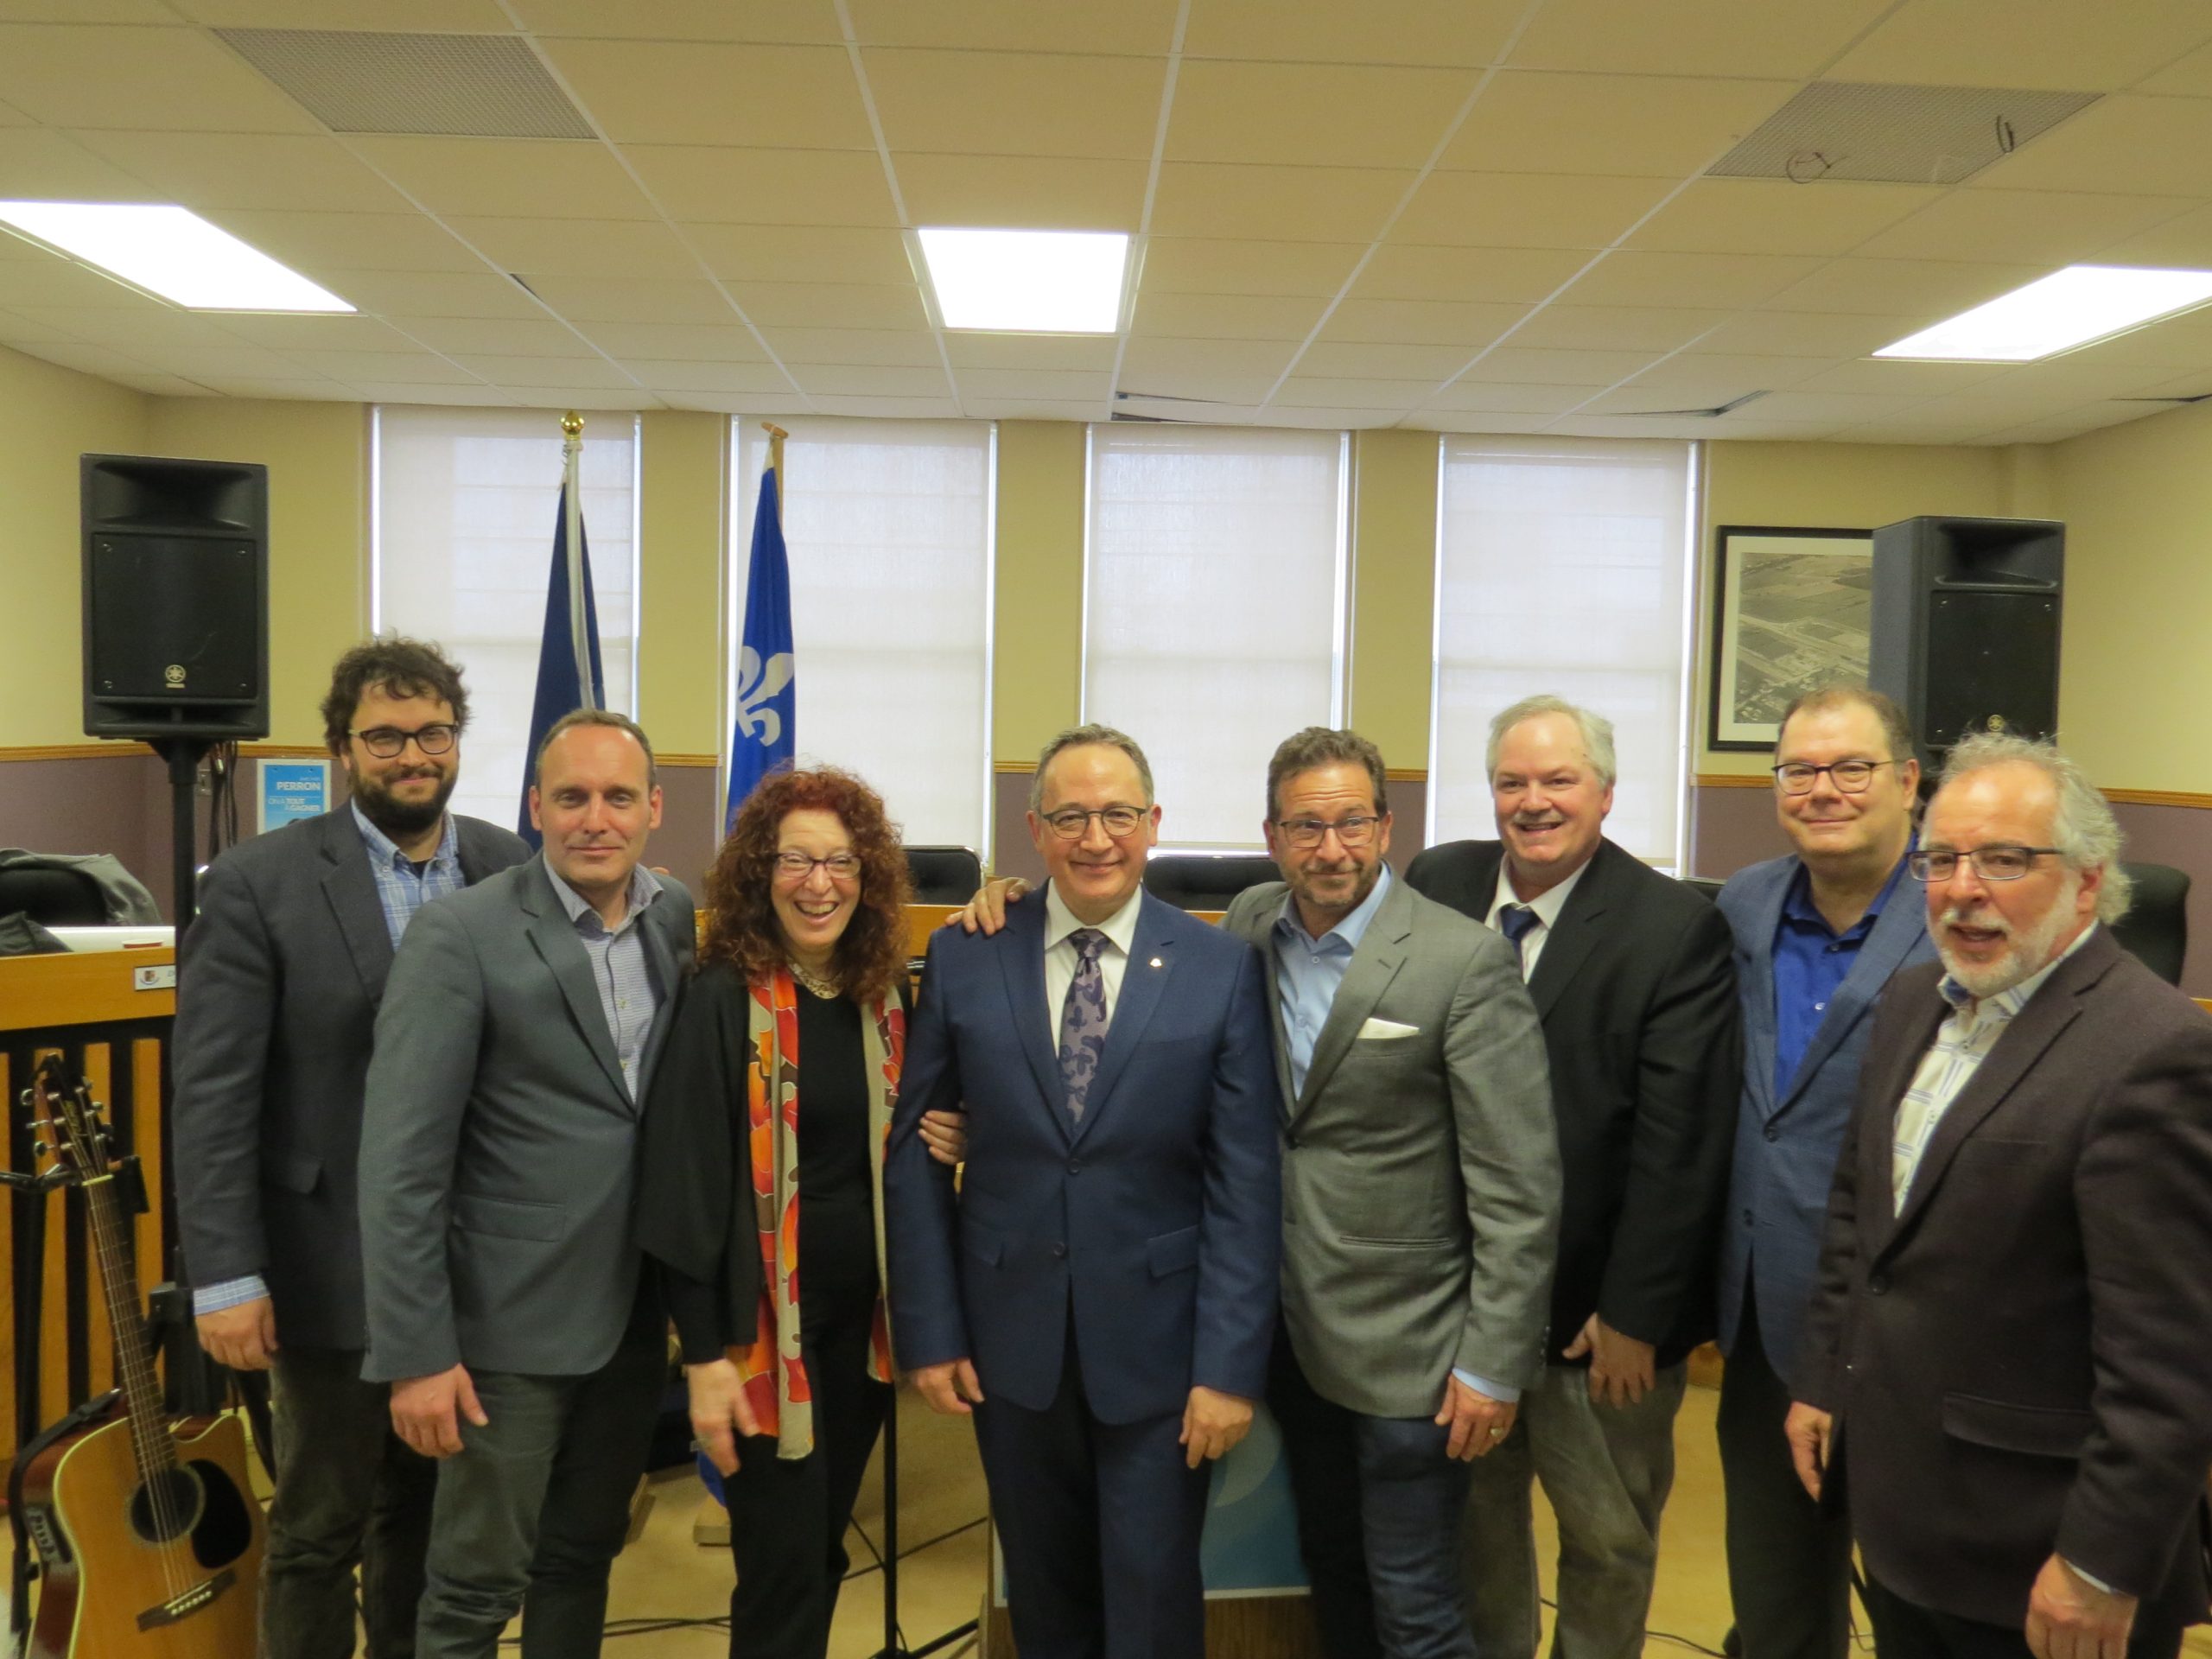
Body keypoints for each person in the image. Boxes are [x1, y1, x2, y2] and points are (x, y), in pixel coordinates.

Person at [1787, 733, 2212, 1659]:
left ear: (2088, 883)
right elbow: (1863, 1219)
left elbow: (2170, 1360)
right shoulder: (1911, 1004)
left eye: (2006, 860)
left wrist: (2101, 1565)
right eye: (1941, 860)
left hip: (2041, 1558)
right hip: (1905, 1517)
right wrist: (1824, 1376)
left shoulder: (2151, 1052)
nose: (1962, 888)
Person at [883, 723, 1281, 1659]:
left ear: (1153, 824)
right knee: (1044, 1593)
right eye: (1070, 816)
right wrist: (930, 1333)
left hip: (1159, 1348)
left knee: (1150, 1597)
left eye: (1116, 814)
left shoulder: (1220, 968)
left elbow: (1243, 1181)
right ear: (1034, 828)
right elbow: (915, 1156)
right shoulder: (964, 953)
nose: (1094, 837)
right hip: (1007, 1340)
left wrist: (1228, 1368)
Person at [172, 636, 529, 1659]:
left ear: (457, 740)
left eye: (432, 733)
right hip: (328, 1264)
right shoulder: (257, 884)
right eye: (385, 736)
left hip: (474, 1265)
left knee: (426, 1517)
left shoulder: (509, 867)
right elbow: (212, 1098)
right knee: (322, 1525)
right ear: (341, 749)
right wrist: (226, 1278)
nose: (412, 754)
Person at [1402, 696, 1738, 1659]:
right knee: (1476, 1536)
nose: (1532, 802)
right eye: (1512, 782)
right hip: (1461, 1306)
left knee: (1607, 1542)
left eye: (1558, 781)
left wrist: (1635, 1312)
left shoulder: (1673, 926)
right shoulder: (1439, 879)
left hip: (1602, 1322)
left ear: (1605, 793)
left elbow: (1681, 1144)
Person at [359, 709, 695, 1659]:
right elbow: (399, 1163)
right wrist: (417, 1351)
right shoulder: (460, 934)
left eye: (619, 797)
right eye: (573, 797)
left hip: (631, 1312)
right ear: (536, 808)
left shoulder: (673, 916)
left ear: (653, 810)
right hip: (503, 1331)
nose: (597, 818)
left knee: (582, 1558)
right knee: (472, 1588)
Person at [1221, 726, 1560, 1659]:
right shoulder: (1250, 925)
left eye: (1351, 823)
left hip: (1415, 1350)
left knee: (1416, 1602)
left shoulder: (1461, 960)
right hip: (1290, 1336)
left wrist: (1492, 1362)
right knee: (1332, 1569)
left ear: (1386, 826)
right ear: (1270, 835)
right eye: (1305, 827)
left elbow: (1518, 1184)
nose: (1330, 849)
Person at [635, 766, 964, 1659]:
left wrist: (955, 1135)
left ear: (869, 877)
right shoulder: (720, 1001)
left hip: (860, 1332)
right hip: (756, 1340)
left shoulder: (888, 998)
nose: (819, 884)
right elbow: (683, 1186)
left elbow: (923, 1135)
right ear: (758, 874)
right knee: (780, 1564)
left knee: (818, 1549)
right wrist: (702, 1356)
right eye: (795, 862)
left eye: (841, 863)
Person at [1712, 683, 1932, 1659]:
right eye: (1799, 769)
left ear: (1908, 783)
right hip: (1762, 1314)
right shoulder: (1743, 904)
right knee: (1775, 1601)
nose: (1823, 789)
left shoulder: (1959, 918)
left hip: (1907, 1331)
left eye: (1851, 767)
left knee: (1914, 1602)